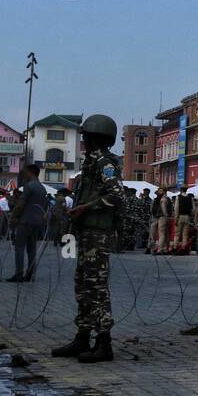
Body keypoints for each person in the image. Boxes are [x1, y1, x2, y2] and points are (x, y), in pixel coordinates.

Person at [51, 114, 125, 363]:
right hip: (86, 233)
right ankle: (82, 336)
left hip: (98, 234)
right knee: (83, 285)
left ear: (97, 138)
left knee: (96, 288)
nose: (83, 140)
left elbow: (117, 195)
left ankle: (104, 342)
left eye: (86, 137)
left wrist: (86, 208)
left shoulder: (105, 162)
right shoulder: (90, 163)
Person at [9, 163, 48, 283]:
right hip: (37, 221)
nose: (23, 175)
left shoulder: (29, 186)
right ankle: (30, 274)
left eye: (25, 172)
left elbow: (21, 203)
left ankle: (18, 274)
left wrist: (13, 216)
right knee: (32, 250)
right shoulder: (42, 188)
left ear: (31, 172)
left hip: (25, 220)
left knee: (19, 247)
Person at [152, 187, 173, 254]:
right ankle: (166, 249)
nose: (159, 192)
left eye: (160, 190)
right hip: (168, 217)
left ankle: (160, 249)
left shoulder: (163, 199)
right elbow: (171, 209)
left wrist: (165, 215)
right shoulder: (168, 199)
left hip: (163, 217)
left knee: (161, 234)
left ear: (164, 191)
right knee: (167, 234)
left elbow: (164, 209)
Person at [174, 189, 194, 253]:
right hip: (187, 217)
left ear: (181, 190)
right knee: (185, 234)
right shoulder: (190, 198)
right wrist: (191, 216)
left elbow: (176, 208)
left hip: (180, 216)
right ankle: (184, 247)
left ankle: (175, 247)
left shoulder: (178, 197)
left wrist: (176, 218)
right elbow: (193, 209)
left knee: (177, 233)